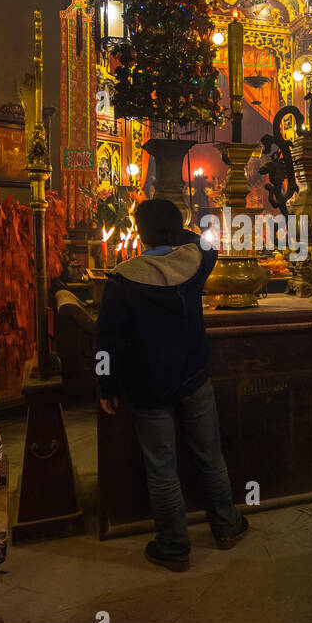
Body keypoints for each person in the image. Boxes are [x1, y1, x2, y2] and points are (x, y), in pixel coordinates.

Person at [95, 198, 248, 572]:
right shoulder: (196, 263)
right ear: (176, 228)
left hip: (147, 385)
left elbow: (107, 340)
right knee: (209, 455)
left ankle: (175, 546)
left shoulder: (123, 277)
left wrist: (106, 386)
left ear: (140, 232)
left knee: (161, 467)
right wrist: (173, 227)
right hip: (194, 376)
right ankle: (226, 527)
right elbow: (205, 241)